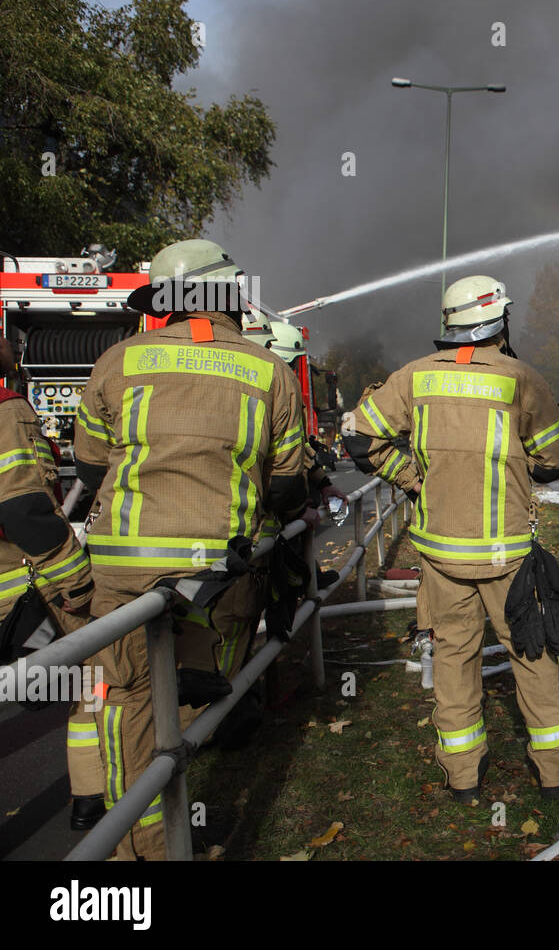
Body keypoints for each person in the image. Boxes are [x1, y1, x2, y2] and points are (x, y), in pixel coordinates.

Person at [74, 238, 308, 859]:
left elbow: (91, 467)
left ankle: (139, 848)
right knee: (191, 704)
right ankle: (181, 815)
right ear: (228, 292)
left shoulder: (117, 362)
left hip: (123, 572)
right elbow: (287, 488)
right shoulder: (271, 372)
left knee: (129, 703)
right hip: (215, 574)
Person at [344, 274, 559, 802]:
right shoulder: (521, 379)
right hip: (508, 556)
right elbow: (557, 458)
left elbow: (359, 435)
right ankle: (555, 774)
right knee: (533, 655)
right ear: (499, 320)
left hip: (440, 556)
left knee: (453, 658)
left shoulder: (414, 378)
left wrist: (413, 477)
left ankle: (464, 777)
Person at [0, 338, 102, 830]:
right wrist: (77, 580)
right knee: (95, 678)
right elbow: (23, 507)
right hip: (17, 584)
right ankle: (93, 799)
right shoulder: (8, 411)